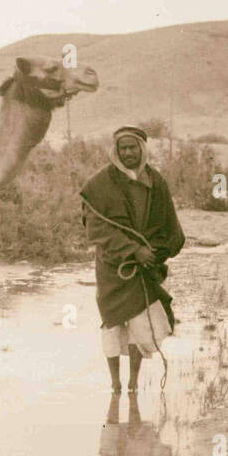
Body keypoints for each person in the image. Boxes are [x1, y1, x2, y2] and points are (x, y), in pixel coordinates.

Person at [80, 126, 185, 394]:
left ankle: (133, 384)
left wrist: (154, 254)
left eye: (132, 147)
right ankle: (115, 384)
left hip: (146, 267)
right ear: (115, 151)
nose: (128, 152)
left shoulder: (156, 182)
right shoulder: (98, 184)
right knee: (112, 322)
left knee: (140, 324)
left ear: (142, 149)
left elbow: (170, 229)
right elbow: (96, 228)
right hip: (112, 267)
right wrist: (133, 250)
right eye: (122, 148)